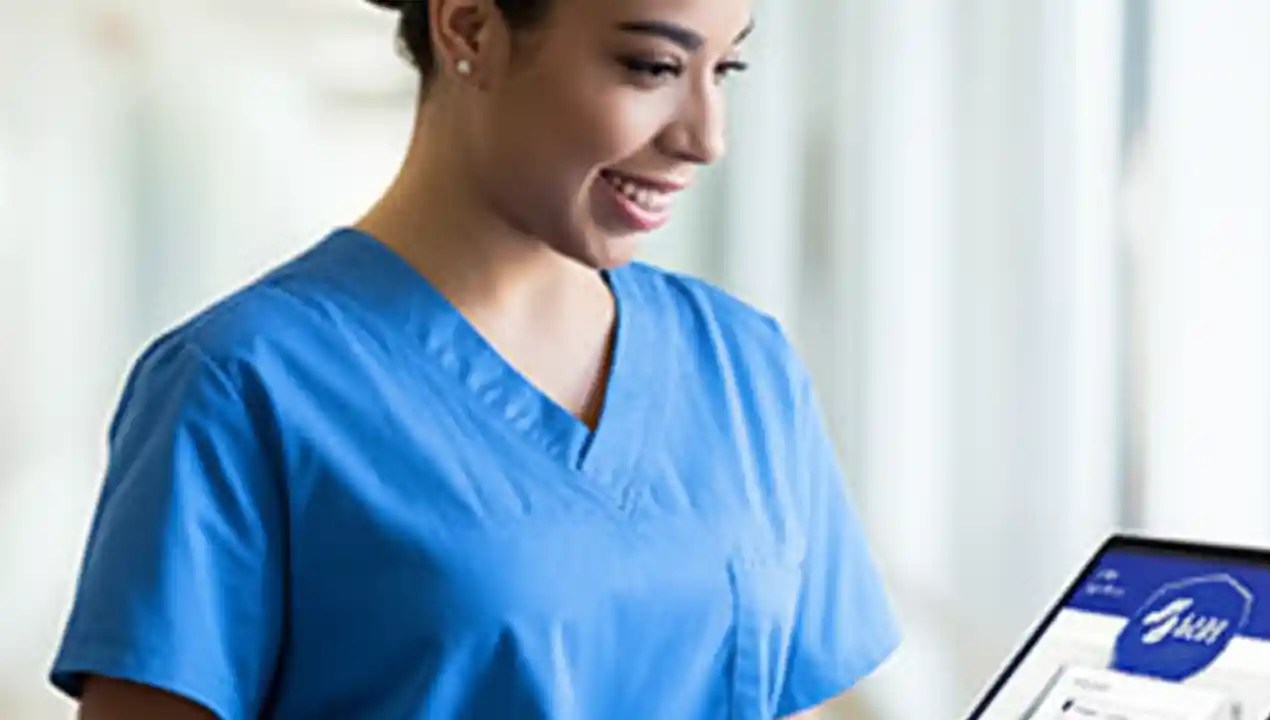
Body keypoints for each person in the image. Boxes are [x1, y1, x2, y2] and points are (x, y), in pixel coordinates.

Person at [49, 0, 900, 717]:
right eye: (650, 67)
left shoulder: (746, 367)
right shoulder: (241, 385)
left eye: (727, 72)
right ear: (469, 29)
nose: (707, 138)